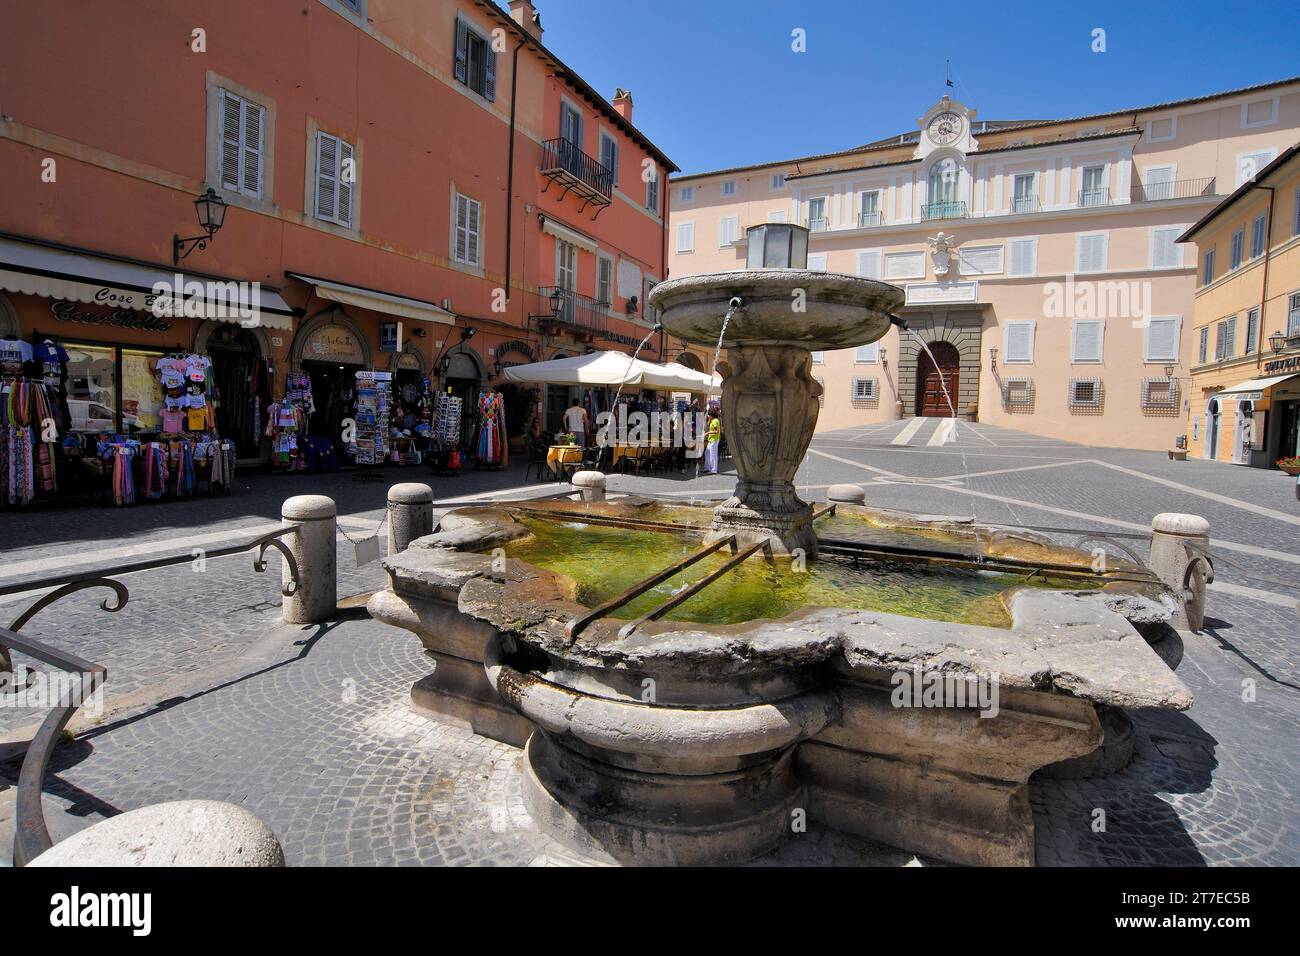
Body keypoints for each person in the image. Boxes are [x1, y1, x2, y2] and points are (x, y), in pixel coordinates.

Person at [703, 410, 721, 474]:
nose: (708, 416)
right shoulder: (713, 421)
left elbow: (716, 431)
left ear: (711, 415)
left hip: (714, 440)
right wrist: (709, 420)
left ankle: (713, 470)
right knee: (707, 453)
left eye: (709, 415)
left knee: (713, 455)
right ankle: (707, 468)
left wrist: (708, 432)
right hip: (711, 439)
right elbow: (708, 425)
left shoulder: (715, 421)